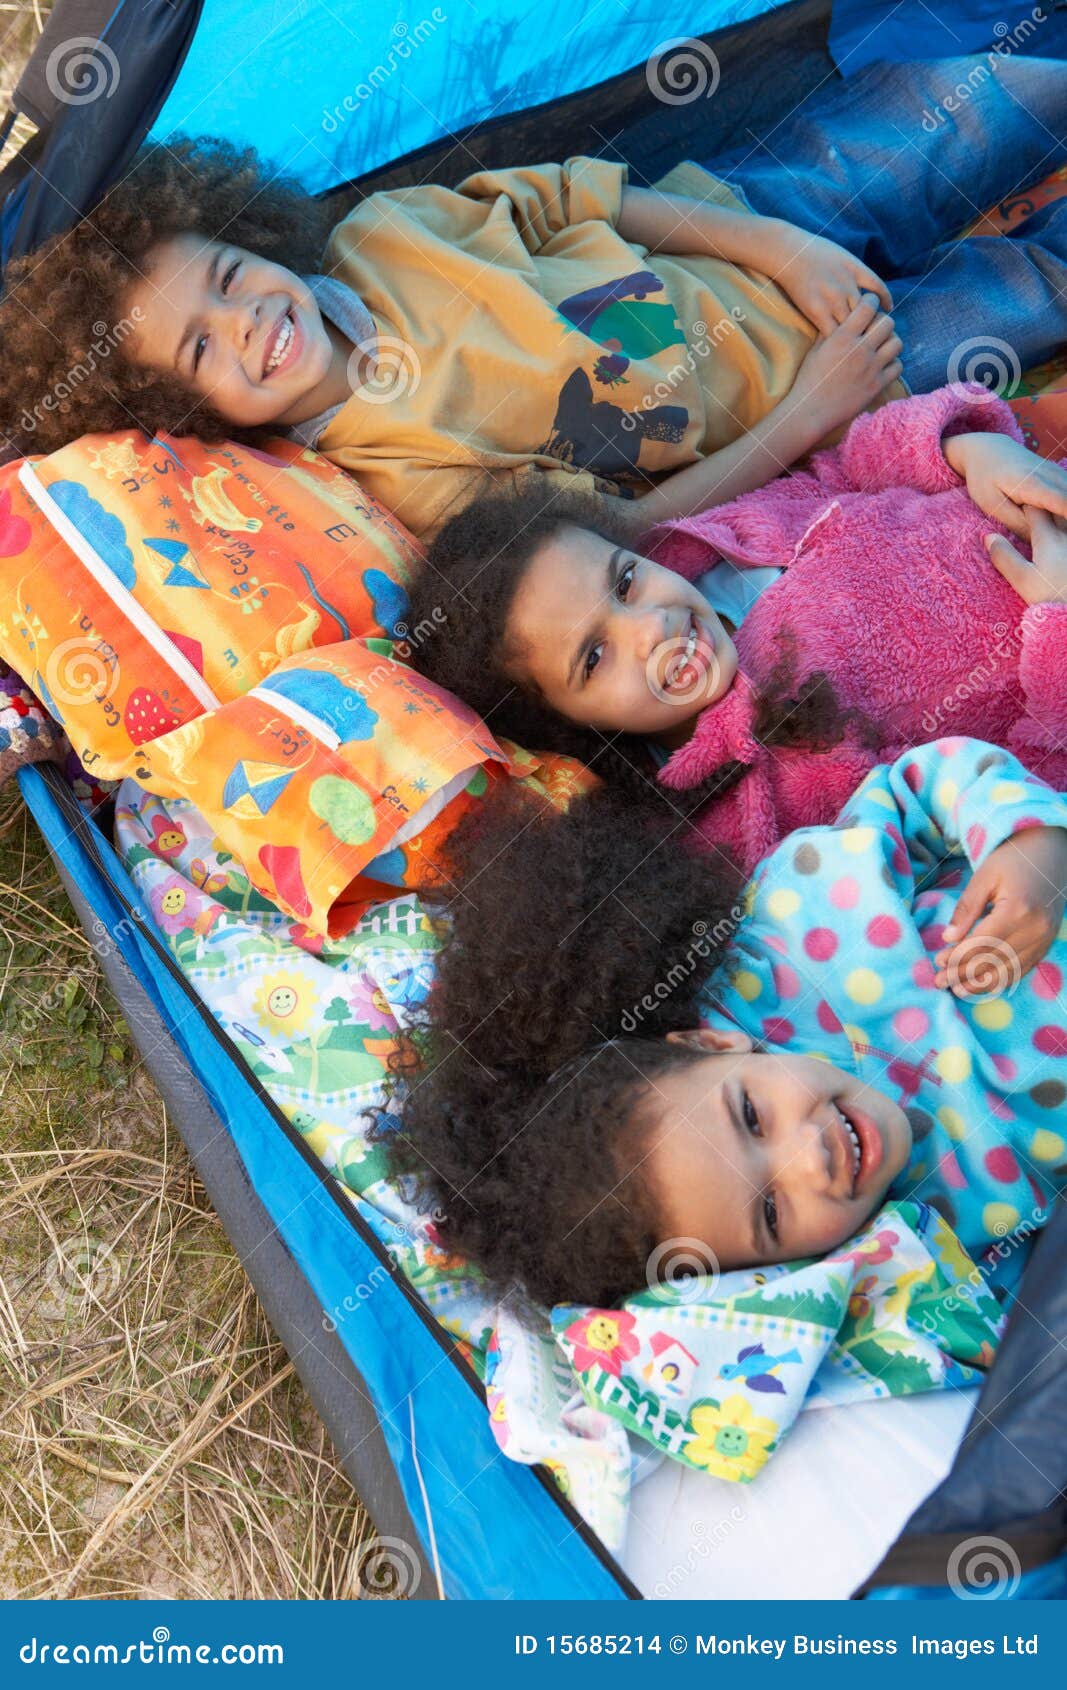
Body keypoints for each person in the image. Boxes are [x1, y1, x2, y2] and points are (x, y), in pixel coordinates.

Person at [3, 51, 1067, 539]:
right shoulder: (394, 473)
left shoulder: (383, 232)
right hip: (833, 385)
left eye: (231, 277)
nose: (247, 323)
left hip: (749, 220)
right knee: (1027, 293)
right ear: (186, 410)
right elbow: (627, 525)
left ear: (247, 232)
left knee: (970, 105)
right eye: (199, 349)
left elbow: (573, 197)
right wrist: (809, 414)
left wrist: (781, 247)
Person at [381, 737, 1067, 1309]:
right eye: (769, 1212)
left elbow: (918, 788)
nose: (810, 1156)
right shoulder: (920, 1253)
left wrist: (1031, 844)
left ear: (710, 1043)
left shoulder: (792, 938)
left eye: (753, 1117)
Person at [411, 383, 1067, 875]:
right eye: (593, 657)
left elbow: (842, 469)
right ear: (569, 726)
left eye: (625, 581)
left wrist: (966, 451)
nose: (651, 626)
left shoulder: (715, 547)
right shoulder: (759, 803)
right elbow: (1011, 798)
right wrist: (1057, 623)